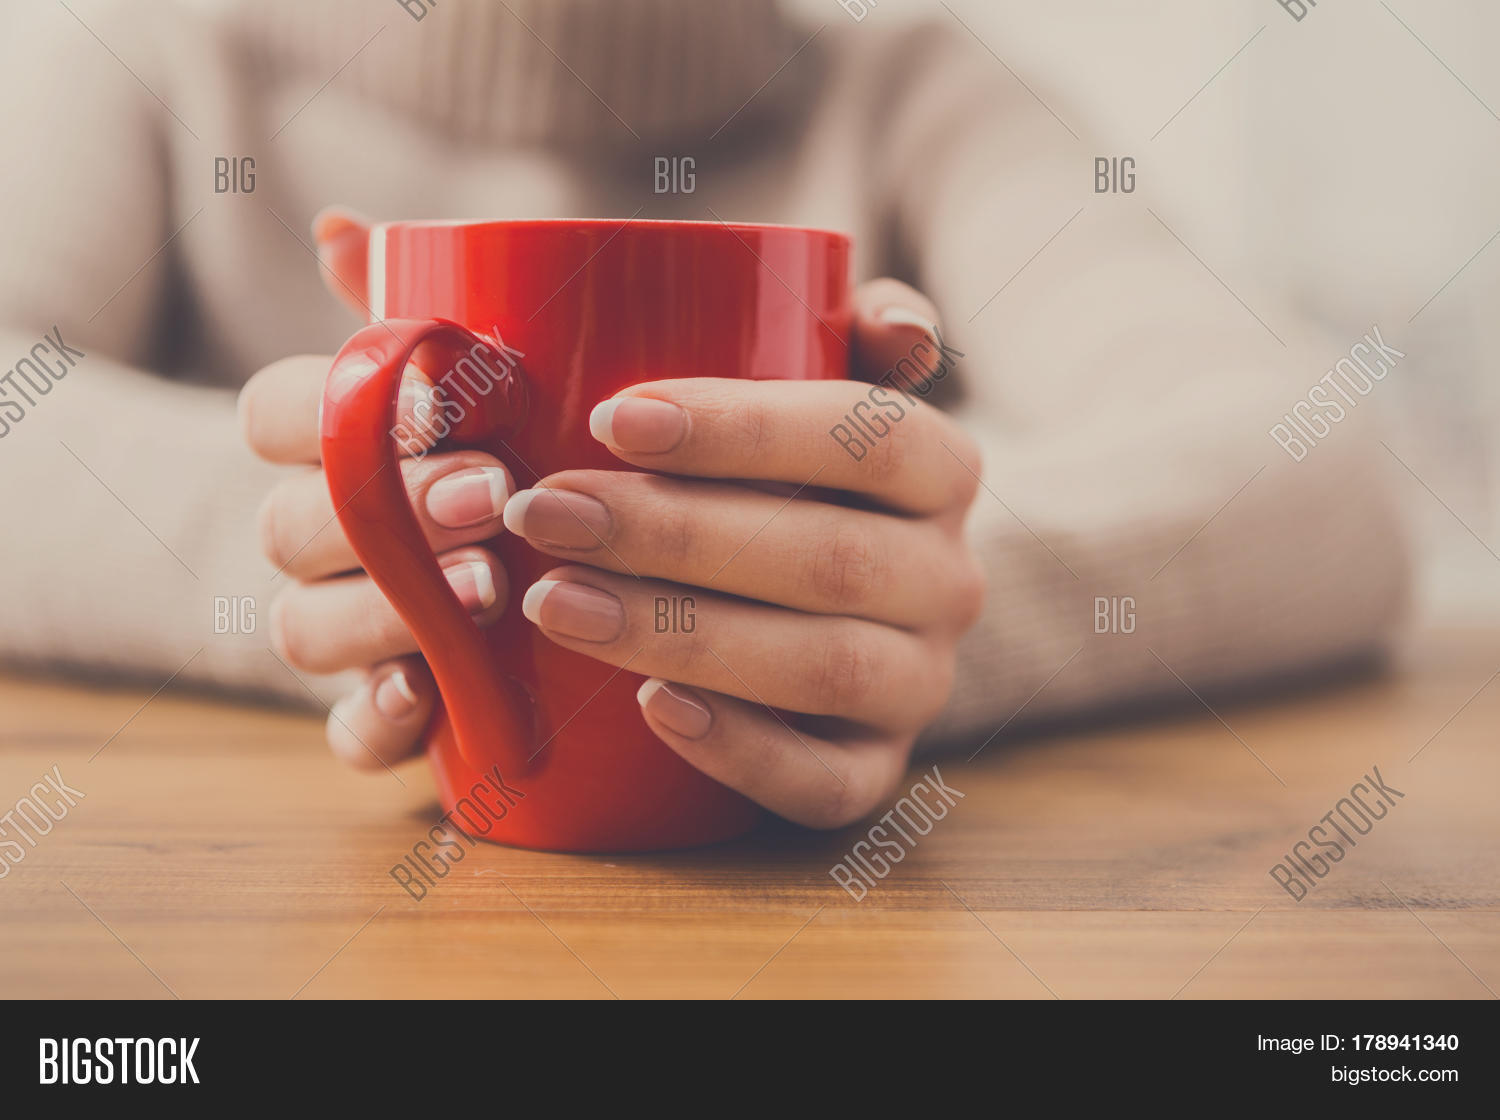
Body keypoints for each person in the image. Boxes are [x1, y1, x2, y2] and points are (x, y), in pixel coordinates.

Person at [0, 0, 1408, 829]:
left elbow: (1321, 471)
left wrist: (909, 609)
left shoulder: (913, 93)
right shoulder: (155, 61)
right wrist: (336, 558)